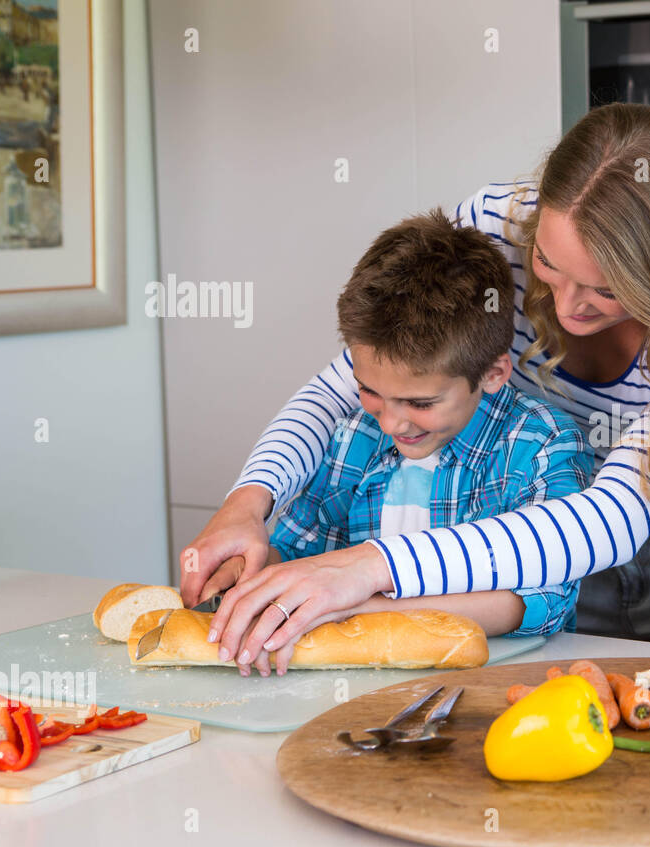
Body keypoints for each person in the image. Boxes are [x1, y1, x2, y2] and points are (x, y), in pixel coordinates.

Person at [182, 103, 650, 667]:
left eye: (606, 288)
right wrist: (246, 505)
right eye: (549, 263)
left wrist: (370, 568)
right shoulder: (498, 229)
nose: (568, 306)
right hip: (542, 538)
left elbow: (612, 519)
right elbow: (344, 384)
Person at [229, 208, 592, 675]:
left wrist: (358, 609)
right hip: (358, 686)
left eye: (419, 402)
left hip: (503, 683)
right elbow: (300, 551)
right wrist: (251, 570)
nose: (391, 424)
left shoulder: (541, 445)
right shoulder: (354, 438)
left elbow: (542, 601)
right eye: (369, 392)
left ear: (493, 373)